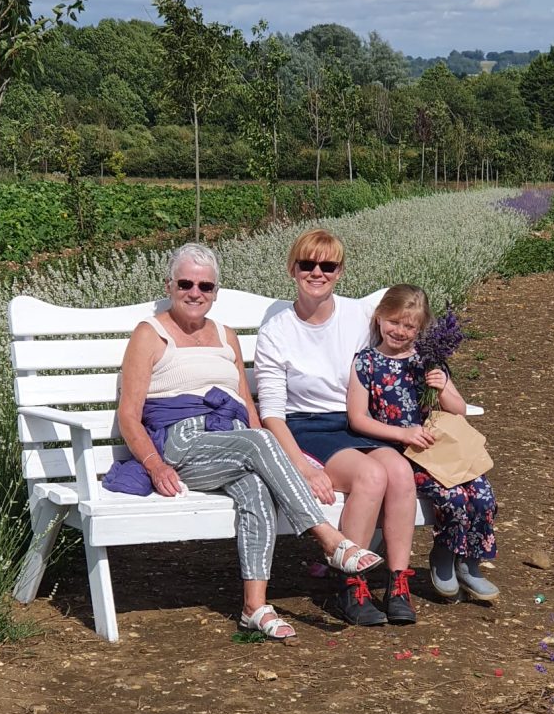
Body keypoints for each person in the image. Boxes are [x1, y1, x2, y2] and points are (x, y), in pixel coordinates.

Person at [106, 242, 382, 641]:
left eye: (205, 286)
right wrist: (154, 464)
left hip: (233, 440)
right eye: (186, 283)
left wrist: (278, 456)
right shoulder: (150, 335)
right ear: (169, 285)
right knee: (256, 443)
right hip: (183, 443)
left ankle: (254, 607)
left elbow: (249, 409)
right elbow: (129, 414)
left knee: (255, 488)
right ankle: (329, 540)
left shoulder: (226, 336)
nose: (195, 293)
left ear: (216, 292)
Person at [254, 230, 418, 626]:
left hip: (356, 421)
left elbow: (402, 336)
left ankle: (398, 582)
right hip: (306, 428)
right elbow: (272, 413)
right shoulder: (278, 330)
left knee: (400, 471)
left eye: (327, 266)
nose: (317, 272)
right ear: (293, 269)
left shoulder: (358, 316)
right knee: (372, 475)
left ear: (340, 271)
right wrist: (303, 468)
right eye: (307, 264)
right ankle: (351, 584)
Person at [347, 285, 499, 603]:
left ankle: (469, 563)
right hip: (403, 454)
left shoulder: (428, 362)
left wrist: (443, 388)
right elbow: (357, 419)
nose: (399, 331)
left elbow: (457, 409)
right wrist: (402, 433)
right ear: (379, 318)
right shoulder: (367, 363)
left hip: (440, 451)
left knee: (484, 496)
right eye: (394, 322)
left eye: (409, 326)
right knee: (453, 498)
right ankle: (443, 556)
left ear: (421, 328)